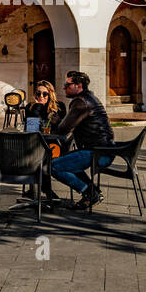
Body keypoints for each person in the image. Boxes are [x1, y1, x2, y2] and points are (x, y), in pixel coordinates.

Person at [49, 71, 115, 210]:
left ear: (78, 85)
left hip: (97, 153)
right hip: (103, 150)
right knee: (67, 162)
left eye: (67, 84)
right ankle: (93, 192)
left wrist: (55, 121)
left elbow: (63, 129)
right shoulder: (89, 98)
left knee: (53, 166)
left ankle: (90, 193)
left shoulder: (81, 102)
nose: (64, 87)